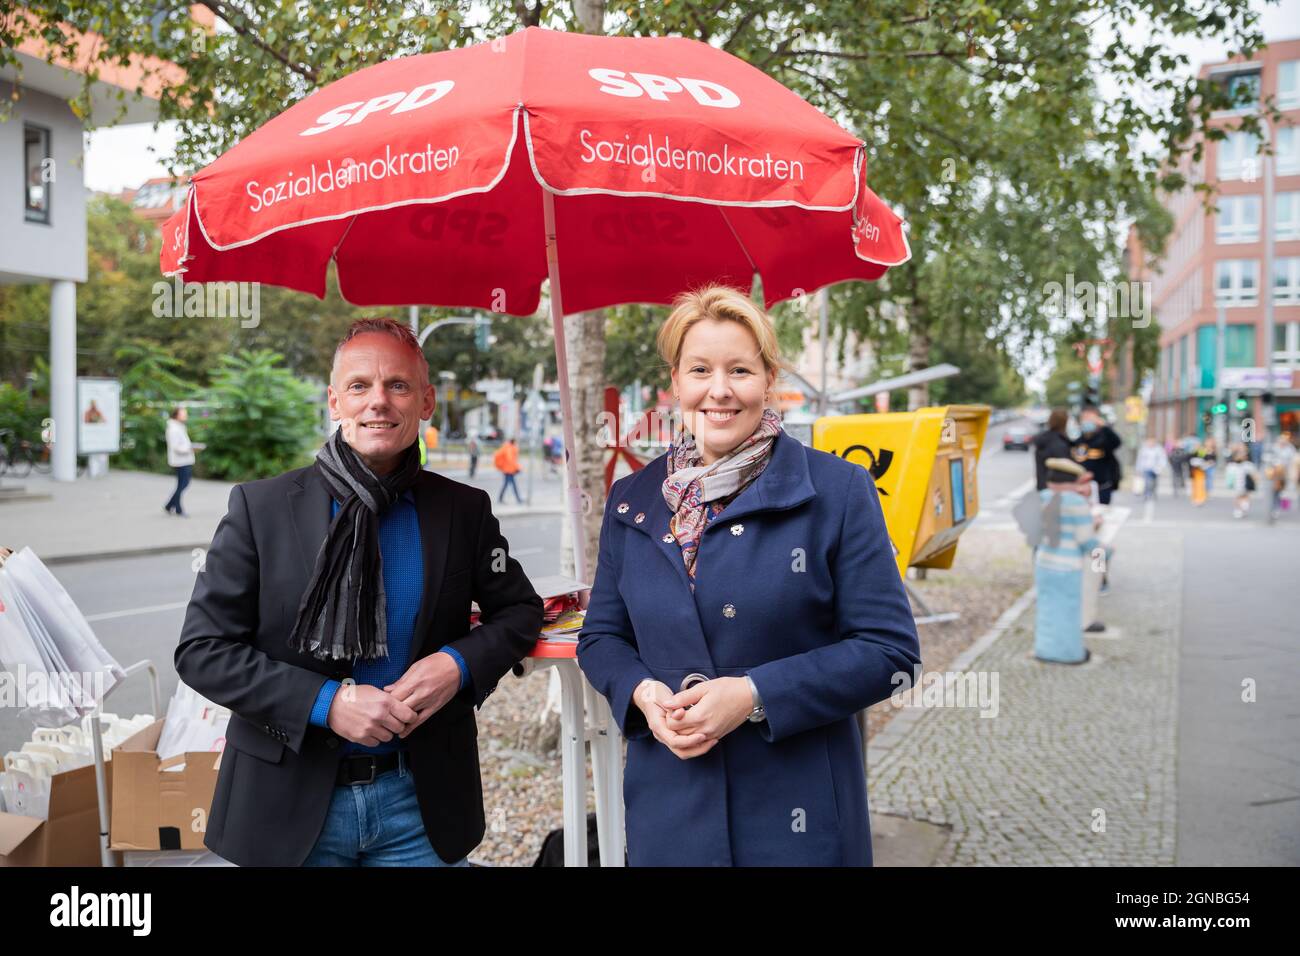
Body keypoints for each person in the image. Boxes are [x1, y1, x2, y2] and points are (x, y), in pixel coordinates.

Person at [174, 318, 543, 867]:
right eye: (359, 386)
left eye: (397, 385)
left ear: (426, 401)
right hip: (289, 807)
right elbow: (202, 651)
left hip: (419, 805)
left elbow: (519, 611)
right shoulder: (261, 508)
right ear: (334, 401)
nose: (379, 402)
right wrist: (328, 703)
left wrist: (456, 665)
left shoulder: (462, 511)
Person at [577, 284, 921, 866]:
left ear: (768, 379)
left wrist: (754, 695)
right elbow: (601, 637)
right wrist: (643, 693)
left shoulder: (837, 492)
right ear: (676, 383)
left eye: (739, 369)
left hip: (797, 817)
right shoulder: (632, 499)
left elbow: (889, 653)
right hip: (670, 814)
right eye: (700, 370)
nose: (719, 390)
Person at [1031, 458, 1100, 664]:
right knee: (1069, 611)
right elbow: (1086, 540)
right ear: (1073, 481)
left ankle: (1044, 649)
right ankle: (1069, 653)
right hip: (1068, 566)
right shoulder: (1076, 503)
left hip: (1043, 563)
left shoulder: (1041, 498)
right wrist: (1104, 553)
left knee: (1047, 609)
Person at [1074, 405, 1122, 504]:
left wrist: (1104, 426)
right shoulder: (1078, 441)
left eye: (1090, 418)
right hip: (1082, 489)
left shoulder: (1104, 438)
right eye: (1084, 418)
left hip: (1102, 488)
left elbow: (1117, 442)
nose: (1086, 421)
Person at [164, 406, 203, 517]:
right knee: (183, 484)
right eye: (183, 414)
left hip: (185, 460)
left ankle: (169, 505)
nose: (185, 416)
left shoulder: (179, 427)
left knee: (182, 484)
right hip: (180, 461)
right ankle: (178, 509)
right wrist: (191, 449)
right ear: (176, 415)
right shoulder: (173, 429)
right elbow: (176, 447)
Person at [1032, 408, 1074, 491]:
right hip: (1057, 487)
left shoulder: (1044, 439)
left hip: (1044, 485)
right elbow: (1064, 467)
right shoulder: (1059, 443)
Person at [1135, 437, 1168, 501]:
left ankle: (1153, 492)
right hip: (1146, 468)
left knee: (1154, 482)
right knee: (1147, 482)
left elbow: (1162, 459)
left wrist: (1161, 467)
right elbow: (1140, 460)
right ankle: (1147, 494)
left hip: (1156, 469)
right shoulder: (1143, 449)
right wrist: (1138, 469)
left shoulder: (1158, 449)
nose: (1150, 444)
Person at [493, 437, 523, 504]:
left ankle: (501, 498)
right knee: (511, 485)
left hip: (507, 470)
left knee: (507, 484)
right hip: (509, 470)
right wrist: (517, 468)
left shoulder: (507, 447)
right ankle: (518, 499)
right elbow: (511, 460)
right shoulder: (509, 448)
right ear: (514, 442)